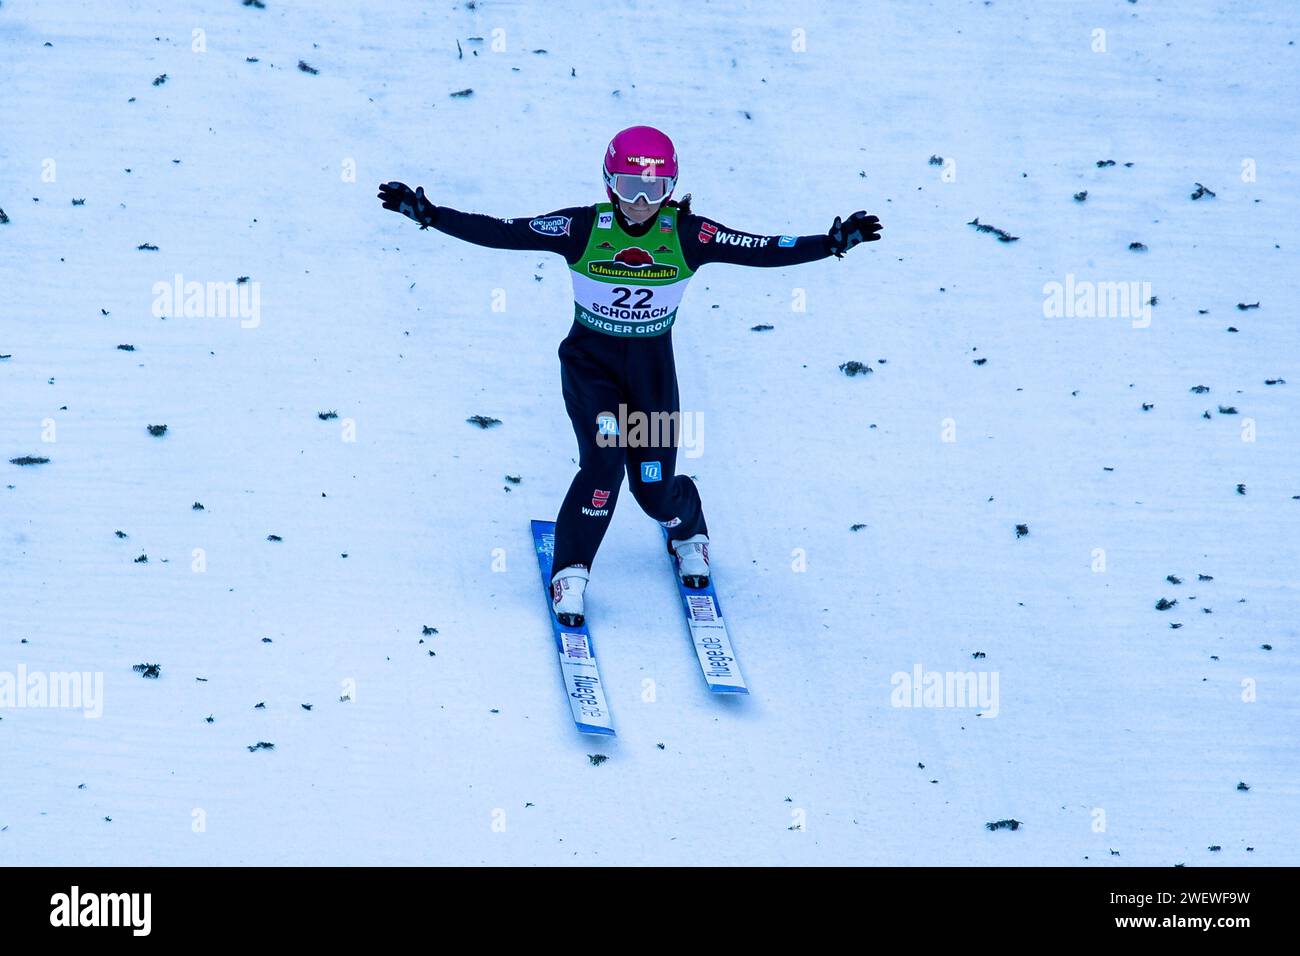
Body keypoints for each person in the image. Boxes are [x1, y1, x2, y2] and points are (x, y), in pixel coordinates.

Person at [379, 125, 882, 626]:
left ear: (671, 188)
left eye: (655, 189)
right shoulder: (583, 229)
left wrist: (830, 242)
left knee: (654, 491)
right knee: (603, 466)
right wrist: (432, 216)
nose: (641, 202)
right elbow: (504, 231)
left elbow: (761, 247)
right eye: (629, 187)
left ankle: (688, 527)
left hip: (651, 382)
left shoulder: (687, 235)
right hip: (590, 371)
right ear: (607, 183)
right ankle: (571, 572)